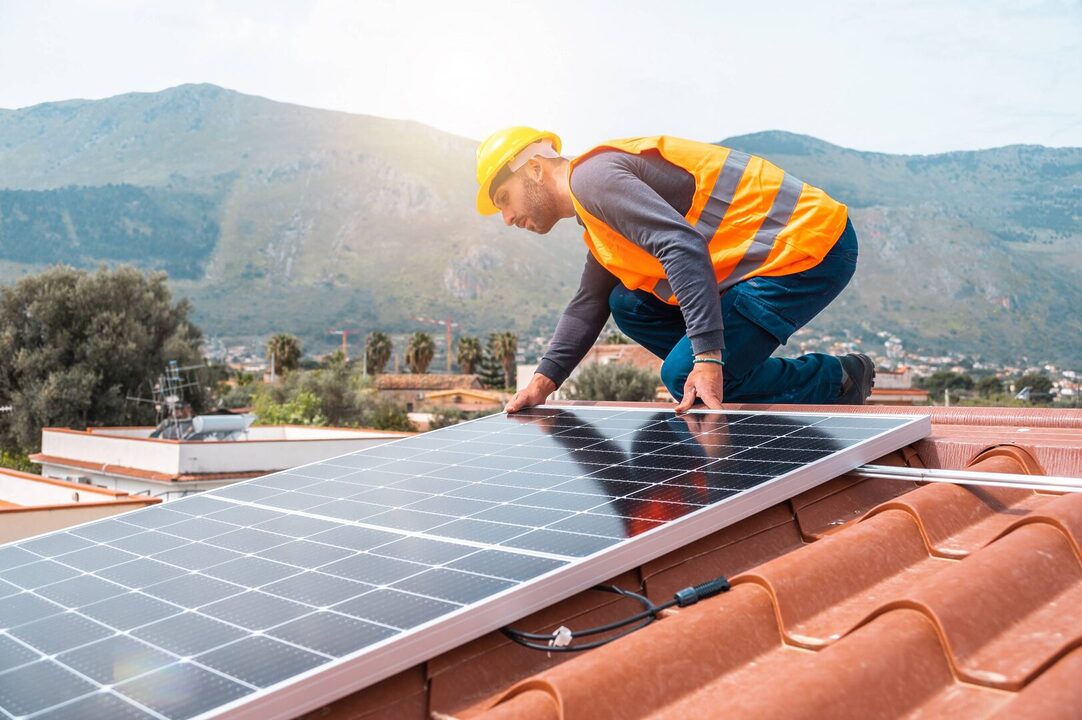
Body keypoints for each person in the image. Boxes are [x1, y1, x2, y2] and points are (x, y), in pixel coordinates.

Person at [474, 128, 874, 414]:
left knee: (687, 370)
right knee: (626, 302)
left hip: (807, 247)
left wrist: (707, 358)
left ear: (536, 170)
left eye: (504, 199)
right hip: (762, 264)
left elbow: (680, 247)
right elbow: (588, 304)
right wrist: (543, 383)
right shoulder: (595, 215)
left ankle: (837, 378)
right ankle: (726, 375)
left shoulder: (592, 179)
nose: (507, 218)